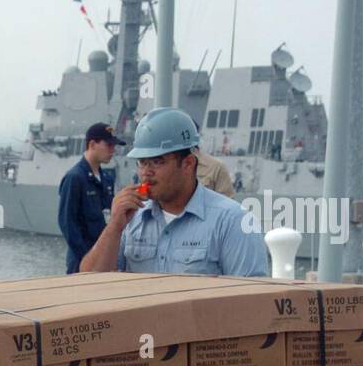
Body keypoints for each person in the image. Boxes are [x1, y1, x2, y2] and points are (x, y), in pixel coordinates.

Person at [80, 107, 268, 276]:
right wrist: (114, 227)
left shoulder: (234, 222)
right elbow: (88, 283)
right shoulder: (131, 219)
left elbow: (252, 298)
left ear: (188, 164)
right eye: (142, 162)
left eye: (157, 161)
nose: (146, 172)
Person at [57, 122, 123, 273]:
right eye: (109, 145)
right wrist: (86, 257)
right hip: (82, 262)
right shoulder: (75, 178)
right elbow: (67, 223)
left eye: (114, 146)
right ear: (92, 144)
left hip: (105, 258)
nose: (113, 150)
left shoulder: (107, 179)